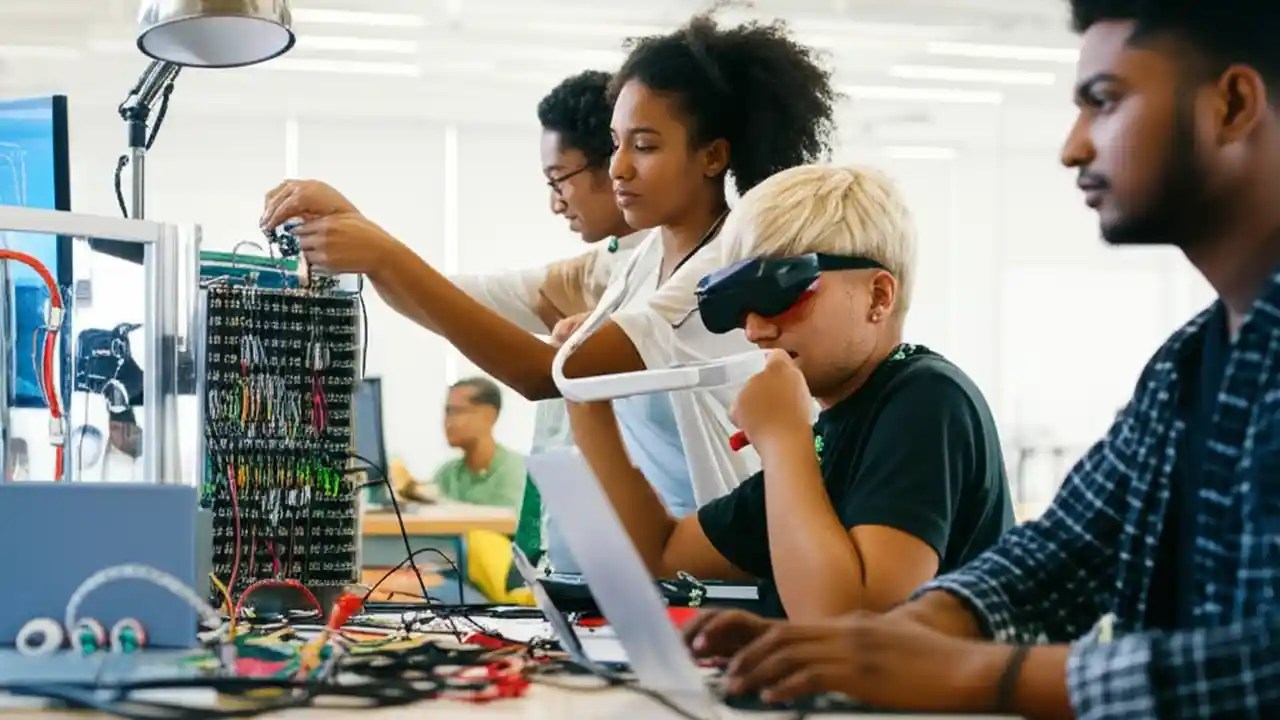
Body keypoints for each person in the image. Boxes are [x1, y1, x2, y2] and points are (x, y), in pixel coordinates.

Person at [682, 3, 1280, 717]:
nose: (1073, 148)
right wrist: (874, 647)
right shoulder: (1188, 365)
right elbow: (1063, 552)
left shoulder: (922, 396)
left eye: (1105, 102)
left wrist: (978, 675)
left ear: (1234, 104)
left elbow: (1264, 661)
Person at [260, 15, 838, 520]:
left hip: (731, 566)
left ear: (712, 154)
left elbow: (551, 376)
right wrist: (367, 240)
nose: (619, 170)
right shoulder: (642, 266)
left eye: (645, 146)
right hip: (677, 560)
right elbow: (458, 303)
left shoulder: (716, 272)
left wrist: (383, 253)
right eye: (615, 145)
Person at [567, 165, 1013, 621]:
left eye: (782, 292)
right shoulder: (829, 436)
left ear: (878, 296)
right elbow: (660, 552)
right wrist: (585, 399)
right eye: (738, 304)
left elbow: (856, 624)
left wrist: (783, 439)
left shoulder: (926, 398)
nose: (756, 329)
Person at [425, 377, 526, 510]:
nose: (448, 423)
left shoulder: (518, 473)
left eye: (458, 411)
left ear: (490, 415)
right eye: (448, 412)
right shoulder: (446, 475)